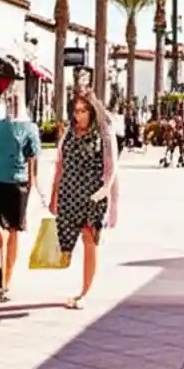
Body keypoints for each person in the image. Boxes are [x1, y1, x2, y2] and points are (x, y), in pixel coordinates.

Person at [49, 88, 118, 310]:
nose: (79, 115)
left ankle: (84, 292)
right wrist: (54, 195)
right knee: (66, 242)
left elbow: (112, 166)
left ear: (92, 111)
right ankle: (78, 283)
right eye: (76, 111)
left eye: (83, 111)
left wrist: (105, 191)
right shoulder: (68, 134)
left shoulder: (103, 135)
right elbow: (59, 166)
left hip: (92, 195)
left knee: (90, 239)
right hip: (69, 193)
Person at [0, 95, 41, 302]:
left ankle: (5, 277)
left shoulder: (23, 129)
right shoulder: (0, 126)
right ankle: (4, 275)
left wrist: (33, 186)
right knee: (4, 232)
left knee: (11, 231)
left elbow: (33, 160)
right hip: (0, 182)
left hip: (15, 184)